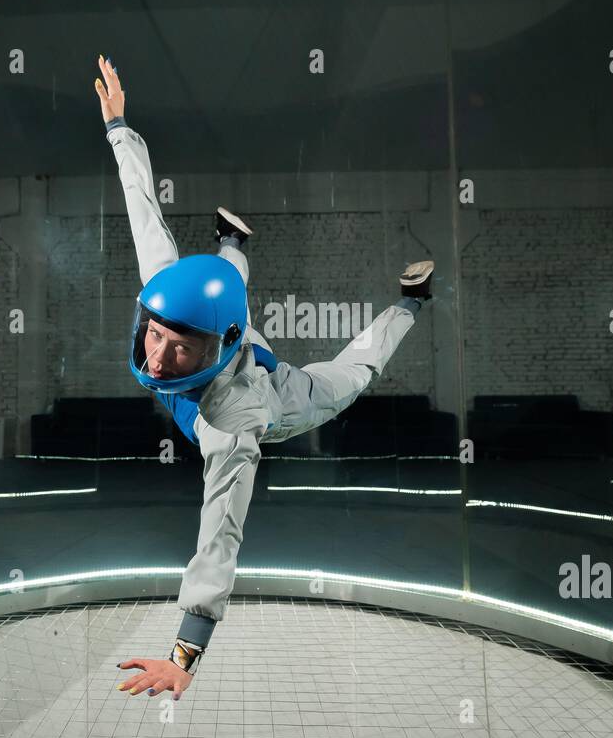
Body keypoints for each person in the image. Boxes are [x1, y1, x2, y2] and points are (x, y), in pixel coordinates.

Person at [94, 54, 434, 700]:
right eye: (155, 335)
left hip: (273, 388)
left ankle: (410, 303)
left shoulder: (235, 421)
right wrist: (119, 125)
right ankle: (232, 246)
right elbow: (143, 207)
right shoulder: (166, 291)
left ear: (213, 350)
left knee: (350, 377)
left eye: (178, 350)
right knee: (223, 287)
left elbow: (219, 532)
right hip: (231, 331)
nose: (159, 358)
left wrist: (184, 653)